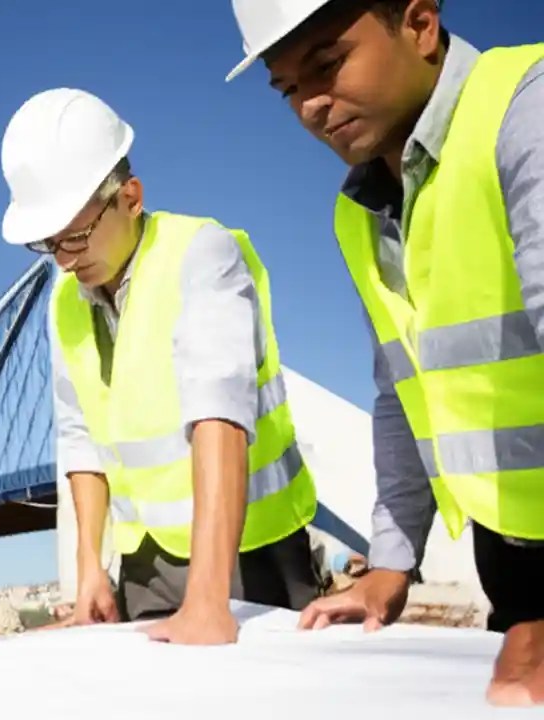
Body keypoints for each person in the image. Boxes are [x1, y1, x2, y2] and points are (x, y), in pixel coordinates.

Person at [223, 0, 544, 706]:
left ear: (421, 25)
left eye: (328, 64)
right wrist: (391, 564)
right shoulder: (362, 213)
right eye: (287, 89)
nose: (310, 104)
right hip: (510, 550)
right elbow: (405, 395)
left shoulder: (527, 109)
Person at [0, 88, 325, 645]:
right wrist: (90, 574)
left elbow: (218, 411)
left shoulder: (202, 252)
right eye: (48, 243)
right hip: (145, 563)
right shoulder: (64, 301)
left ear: (130, 196)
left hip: (250, 554)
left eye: (75, 236)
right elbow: (80, 438)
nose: (64, 259)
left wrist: (207, 598)